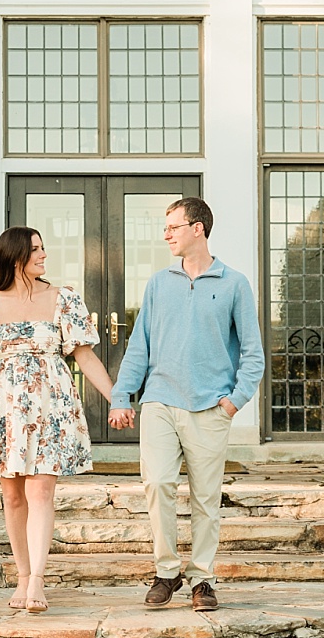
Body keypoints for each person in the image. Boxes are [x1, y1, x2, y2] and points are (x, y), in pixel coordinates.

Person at [109, 196, 264, 612]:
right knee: (157, 483)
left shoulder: (234, 284)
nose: (166, 235)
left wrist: (233, 403)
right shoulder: (159, 283)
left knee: (205, 500)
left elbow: (254, 354)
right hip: (160, 400)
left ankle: (202, 579)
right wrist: (122, 395)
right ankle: (166, 571)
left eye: (173, 227)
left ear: (198, 228)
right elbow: (138, 346)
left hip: (210, 408)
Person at [0, 227, 116, 614]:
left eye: (44, 248)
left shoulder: (63, 299)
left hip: (52, 406)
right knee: (12, 496)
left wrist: (119, 399)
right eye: (36, 250)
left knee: (40, 492)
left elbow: (85, 357)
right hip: (4, 410)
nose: (44, 256)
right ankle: (22, 572)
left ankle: (37, 582)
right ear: (16, 258)